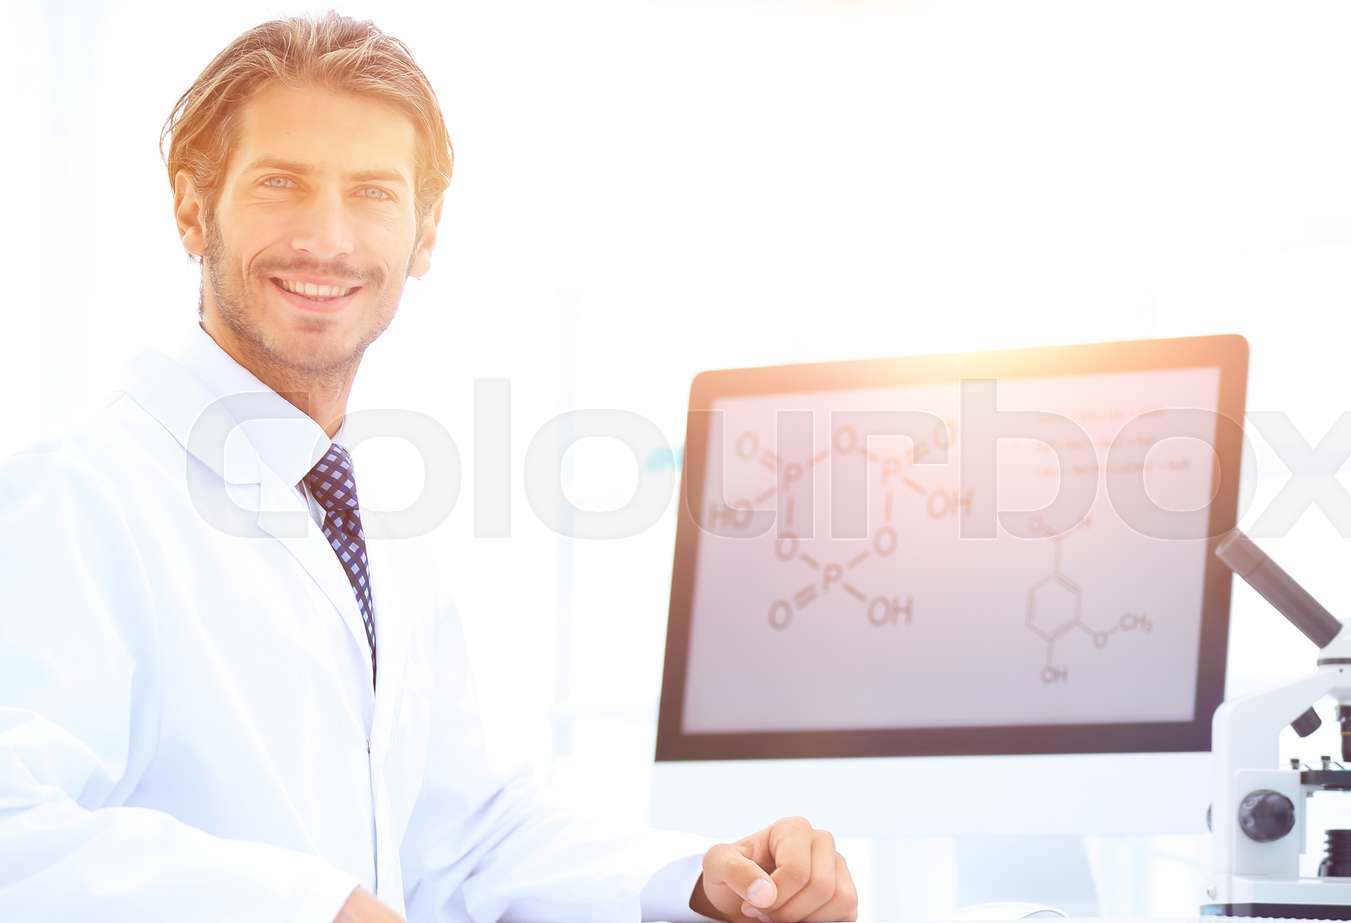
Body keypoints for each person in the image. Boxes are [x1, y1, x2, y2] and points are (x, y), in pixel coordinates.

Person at [0, 12, 857, 923]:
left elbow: (458, 838)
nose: (326, 238)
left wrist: (699, 880)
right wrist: (315, 909)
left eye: (372, 192)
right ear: (189, 209)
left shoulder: (369, 521)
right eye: (281, 182)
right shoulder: (75, 495)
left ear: (426, 231)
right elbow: (16, 827)